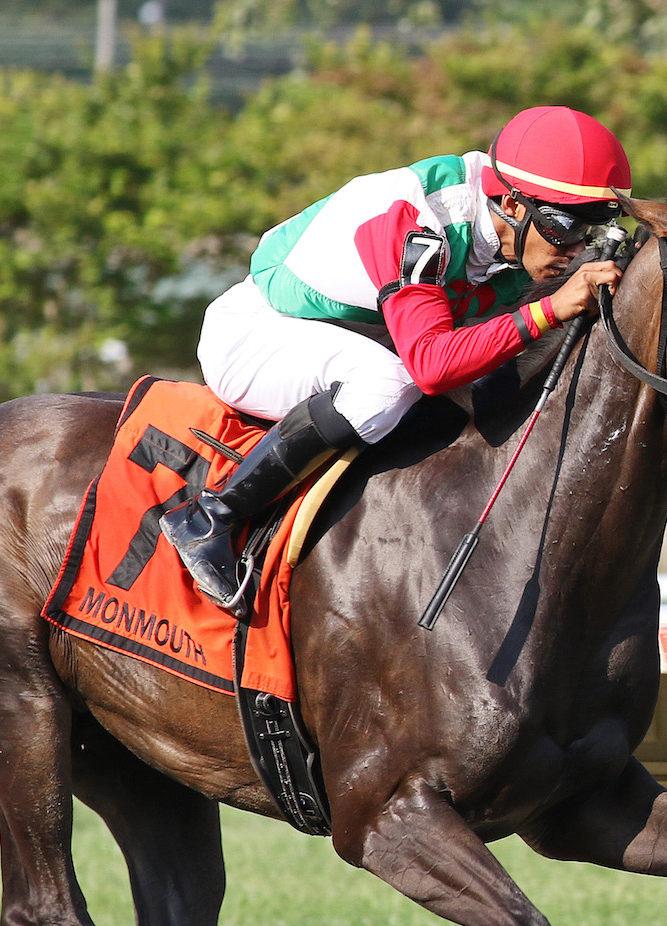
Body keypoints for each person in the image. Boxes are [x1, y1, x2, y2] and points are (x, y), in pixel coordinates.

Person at [161, 105, 632, 612]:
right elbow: (432, 367)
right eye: (566, 227)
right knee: (391, 383)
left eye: (593, 229)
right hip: (256, 336)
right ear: (512, 204)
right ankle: (211, 518)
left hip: (351, 336)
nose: (576, 248)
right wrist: (552, 308)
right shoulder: (421, 225)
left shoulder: (509, 226)